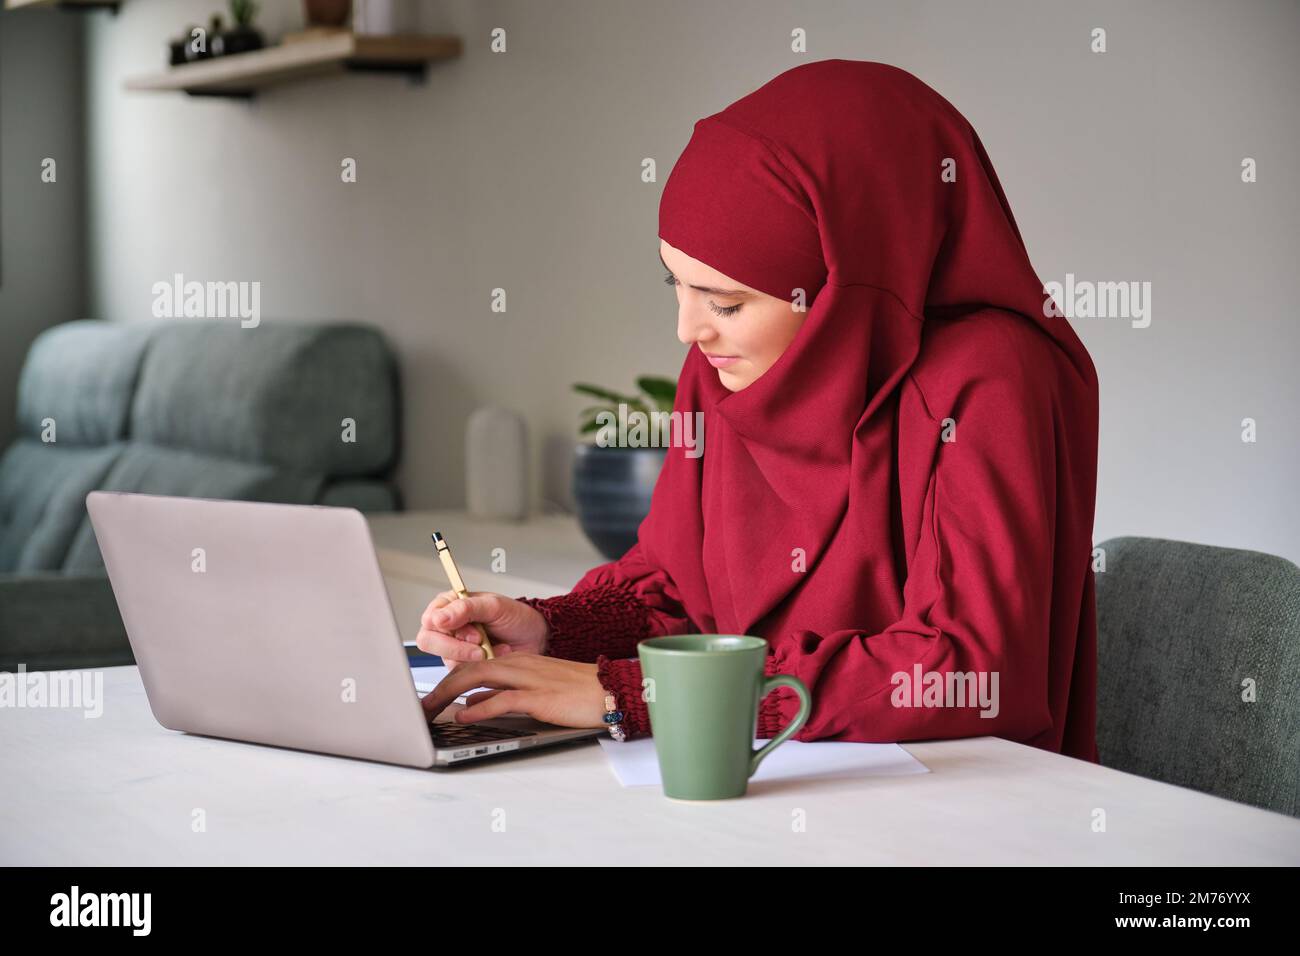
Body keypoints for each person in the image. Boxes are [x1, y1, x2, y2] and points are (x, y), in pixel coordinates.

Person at [417, 59, 1101, 761]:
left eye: (727, 302)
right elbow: (681, 593)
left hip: (952, 804)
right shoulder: (720, 372)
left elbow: (961, 668)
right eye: (676, 284)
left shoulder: (993, 376)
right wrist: (547, 629)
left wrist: (641, 693)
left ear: (843, 281)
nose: (690, 329)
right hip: (755, 787)